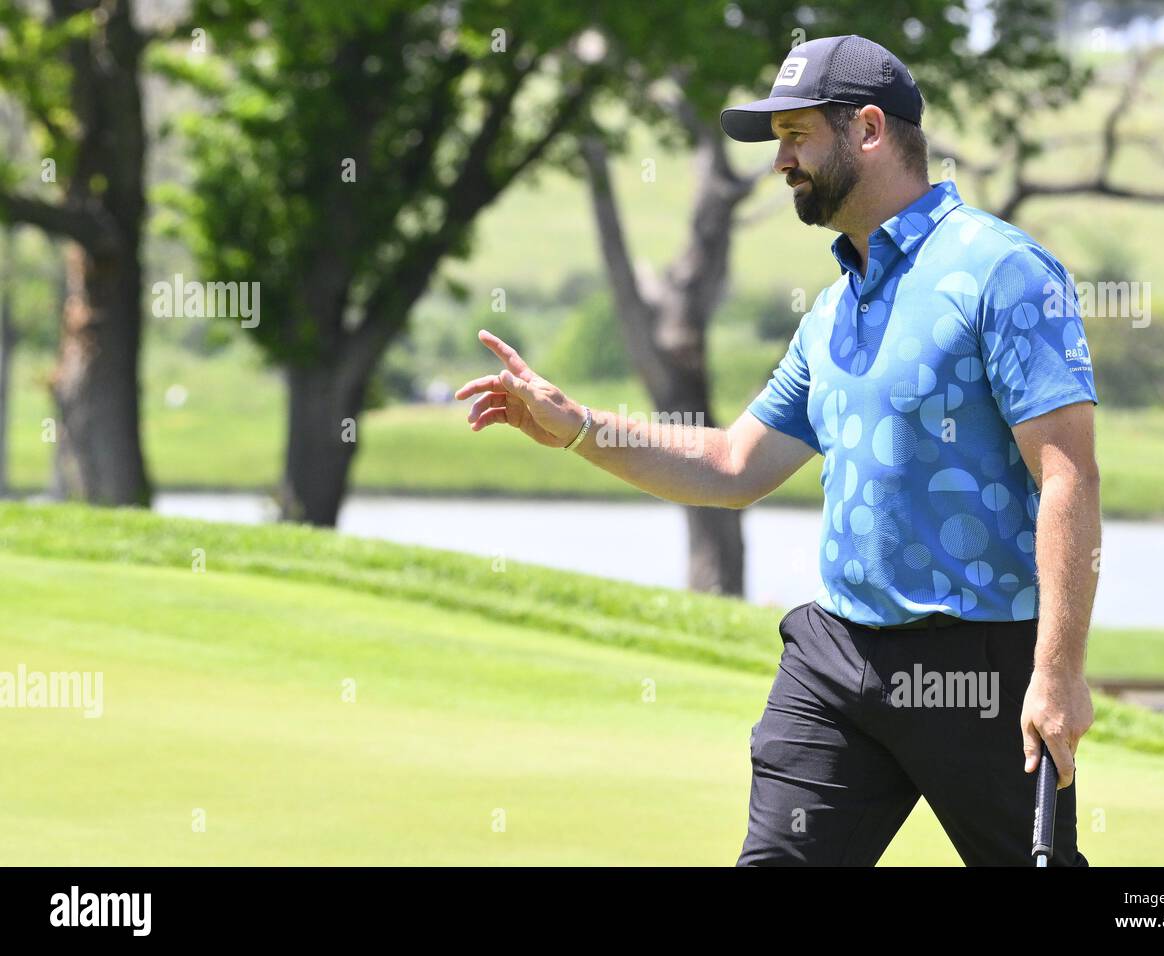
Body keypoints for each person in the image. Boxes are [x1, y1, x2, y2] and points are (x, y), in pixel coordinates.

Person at [456, 34, 1100, 866]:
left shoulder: (1004, 270)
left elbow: (1068, 474)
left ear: (868, 129)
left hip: (974, 668)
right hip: (837, 660)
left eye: (796, 136)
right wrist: (578, 425)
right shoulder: (834, 311)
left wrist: (1057, 674)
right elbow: (733, 465)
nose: (780, 162)